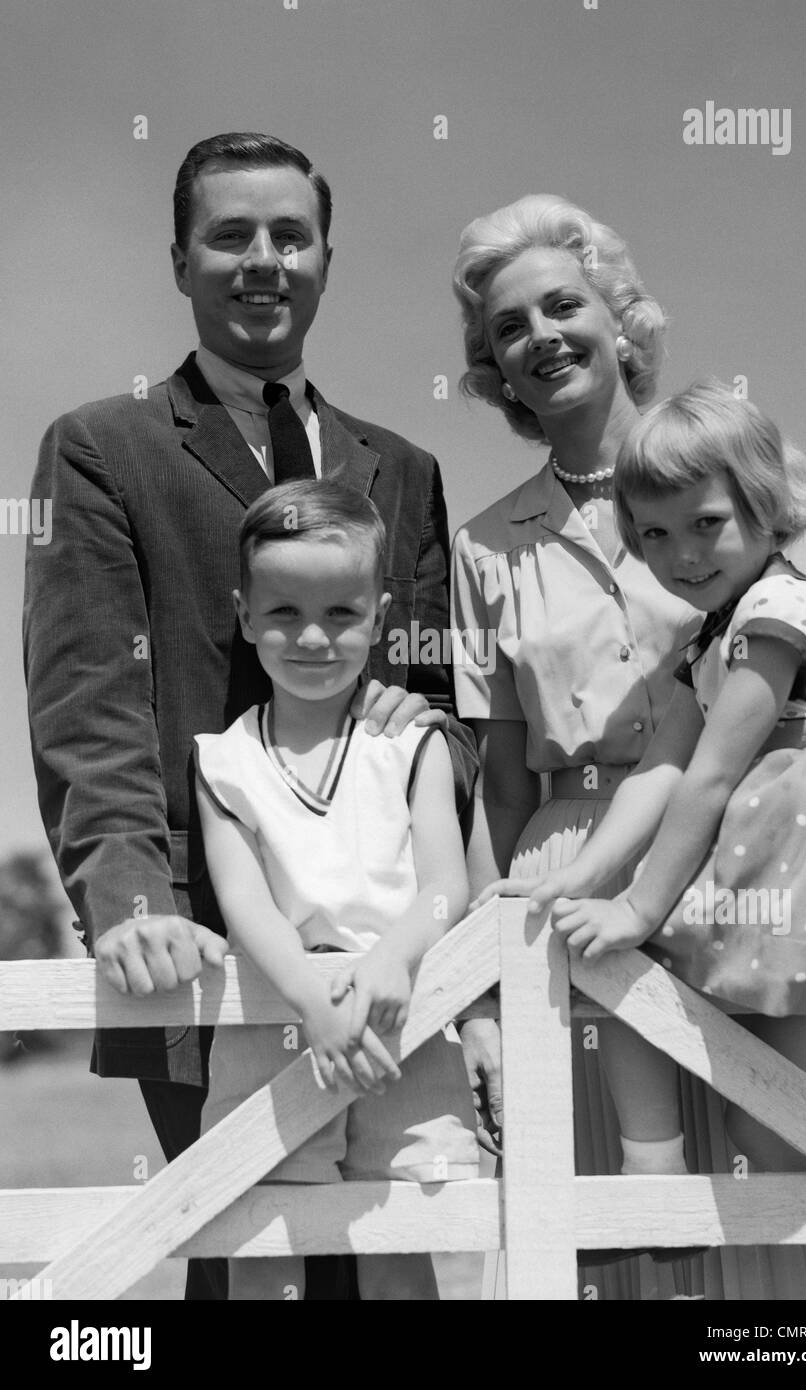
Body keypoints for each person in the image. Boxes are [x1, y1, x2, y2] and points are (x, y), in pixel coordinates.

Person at [22, 132, 477, 1300]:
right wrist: (129, 903)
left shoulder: (404, 467)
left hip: (386, 959)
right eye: (230, 235)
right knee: (255, 1277)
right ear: (179, 259)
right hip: (204, 953)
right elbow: (88, 699)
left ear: (326, 258)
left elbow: (437, 712)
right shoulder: (101, 447)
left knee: (396, 1273)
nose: (262, 259)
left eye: (290, 235)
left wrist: (419, 932)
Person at [452, 194, 806, 1300]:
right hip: (572, 888)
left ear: (619, 318)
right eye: (509, 327)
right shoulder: (483, 542)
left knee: (777, 1175)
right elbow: (498, 775)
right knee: (605, 1236)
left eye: (562, 304)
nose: (539, 337)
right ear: (492, 367)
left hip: (753, 868)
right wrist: (484, 980)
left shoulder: (742, 464)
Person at [531, 380, 806, 1296]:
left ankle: (675, 1180)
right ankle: (674, 1181)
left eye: (706, 525)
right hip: (789, 884)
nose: (679, 554)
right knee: (766, 1116)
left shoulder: (783, 614)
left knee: (660, 992)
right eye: (653, 534)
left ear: (769, 512)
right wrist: (584, 877)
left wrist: (642, 903)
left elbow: (713, 774)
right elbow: (658, 772)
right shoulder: (707, 637)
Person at [194, 479, 479, 1300]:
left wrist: (395, 957)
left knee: (401, 1245)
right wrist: (313, 1006)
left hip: (407, 1020)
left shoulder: (414, 742)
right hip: (275, 1025)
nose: (312, 637)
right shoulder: (222, 762)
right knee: (264, 1246)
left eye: (341, 615)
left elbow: (443, 883)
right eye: (282, 613)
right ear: (245, 617)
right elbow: (244, 903)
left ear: (381, 617)